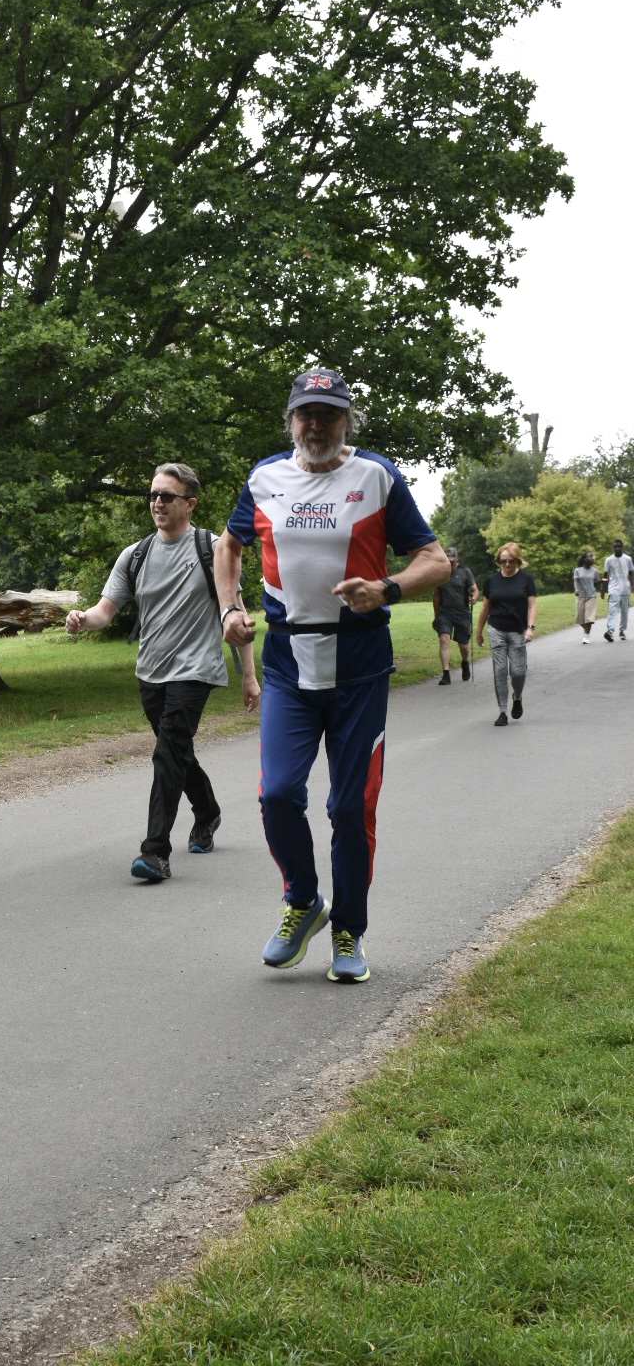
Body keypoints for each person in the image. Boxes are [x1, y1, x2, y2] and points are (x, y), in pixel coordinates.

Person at [214, 370, 448, 983]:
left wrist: (388, 587)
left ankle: (349, 929)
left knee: (351, 807)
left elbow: (436, 560)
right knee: (278, 794)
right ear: (290, 419)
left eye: (328, 413)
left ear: (347, 419)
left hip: (360, 666)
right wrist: (230, 608)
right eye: (305, 414)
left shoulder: (375, 475)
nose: (315, 424)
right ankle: (303, 901)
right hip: (288, 663)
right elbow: (228, 546)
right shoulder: (264, 478)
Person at [65, 463, 260, 882]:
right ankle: (207, 812)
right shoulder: (135, 556)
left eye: (167, 496)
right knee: (177, 751)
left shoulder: (212, 549)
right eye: (153, 495)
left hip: (196, 669)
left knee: (168, 751)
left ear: (189, 503)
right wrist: (84, 619)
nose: (157, 502)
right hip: (151, 670)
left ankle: (155, 853)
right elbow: (106, 609)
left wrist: (248, 674)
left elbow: (236, 615)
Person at [476, 542, 536, 726]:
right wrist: (479, 631)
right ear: (498, 561)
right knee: (500, 671)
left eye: (511, 561)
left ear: (517, 561)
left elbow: (532, 605)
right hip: (496, 629)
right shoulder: (492, 581)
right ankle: (502, 711)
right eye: (503, 561)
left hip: (518, 630)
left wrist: (530, 628)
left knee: (518, 671)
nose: (507, 565)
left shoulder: (526, 580)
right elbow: (485, 608)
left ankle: (517, 696)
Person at [433, 545, 478, 683]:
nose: (450, 561)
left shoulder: (465, 572)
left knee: (463, 645)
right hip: (445, 613)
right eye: (447, 559)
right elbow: (436, 596)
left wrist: (474, 597)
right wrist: (437, 616)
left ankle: (464, 662)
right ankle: (446, 674)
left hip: (462, 612)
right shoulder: (440, 573)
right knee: (444, 640)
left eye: (452, 559)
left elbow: (475, 590)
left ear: (457, 558)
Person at [602, 538, 634, 642]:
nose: (617, 548)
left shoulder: (628, 559)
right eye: (615, 546)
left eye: (619, 546)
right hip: (613, 589)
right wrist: (603, 589)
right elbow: (605, 575)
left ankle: (622, 631)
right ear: (613, 547)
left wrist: (632, 585)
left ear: (622, 547)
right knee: (612, 611)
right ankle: (610, 632)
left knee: (624, 612)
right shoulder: (609, 560)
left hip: (625, 588)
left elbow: (630, 573)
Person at [573, 551, 600, 643]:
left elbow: (595, 583)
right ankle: (587, 628)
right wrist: (576, 589)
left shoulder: (595, 571)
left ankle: (586, 636)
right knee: (580, 619)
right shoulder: (577, 570)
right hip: (580, 596)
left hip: (591, 596)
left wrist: (601, 581)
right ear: (584, 559)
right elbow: (576, 581)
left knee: (588, 618)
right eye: (590, 557)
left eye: (593, 557)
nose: (592, 558)